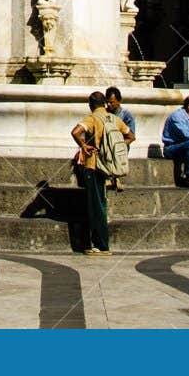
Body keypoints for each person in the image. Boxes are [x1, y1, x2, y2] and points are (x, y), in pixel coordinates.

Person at [70, 91, 112, 256]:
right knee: (101, 202)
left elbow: (75, 132)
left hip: (93, 165)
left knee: (95, 206)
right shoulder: (113, 118)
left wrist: (83, 145)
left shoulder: (92, 118)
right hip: (108, 165)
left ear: (91, 104)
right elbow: (130, 135)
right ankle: (102, 243)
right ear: (105, 103)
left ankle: (101, 245)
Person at [103, 86, 137, 190]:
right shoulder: (104, 113)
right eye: (107, 102)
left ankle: (114, 177)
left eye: (112, 102)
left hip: (120, 144)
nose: (109, 105)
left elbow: (131, 137)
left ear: (119, 101)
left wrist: (118, 145)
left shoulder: (126, 116)